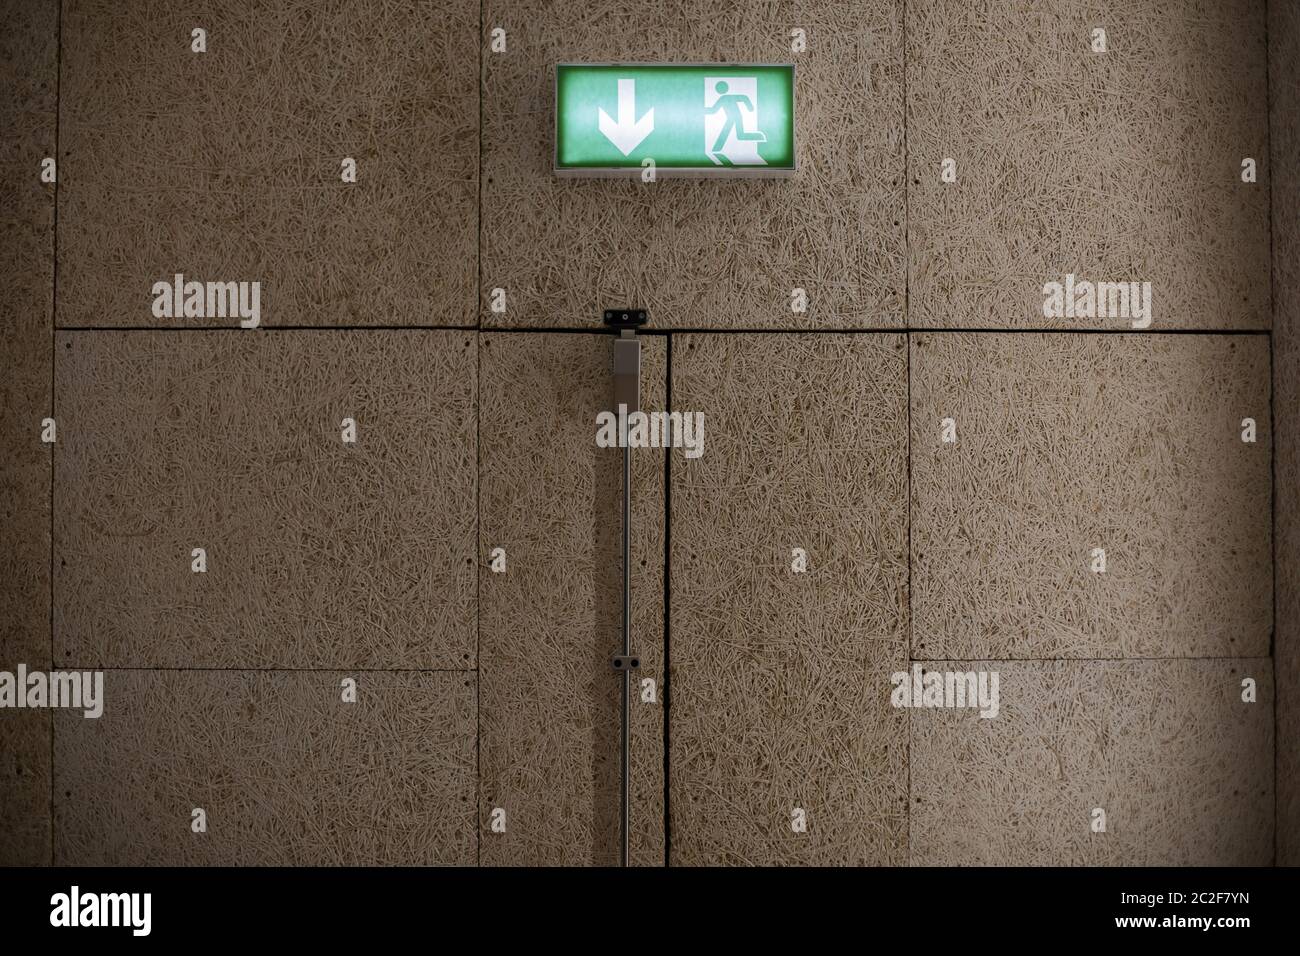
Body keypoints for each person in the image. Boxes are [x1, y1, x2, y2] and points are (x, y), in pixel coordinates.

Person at [705, 80, 766, 163]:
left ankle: (716, 148)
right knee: (740, 135)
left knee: (740, 135)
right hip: (732, 118)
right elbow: (713, 110)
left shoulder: (725, 98)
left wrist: (750, 107)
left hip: (735, 117)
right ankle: (716, 148)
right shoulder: (723, 98)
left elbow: (743, 97)